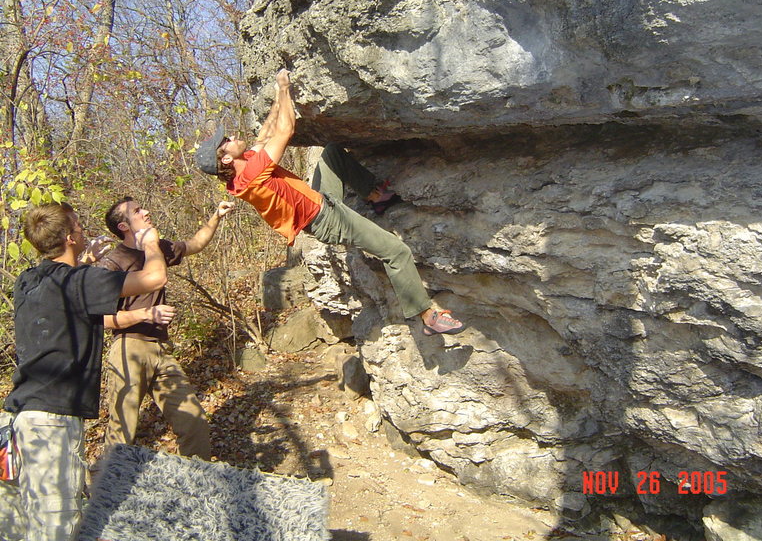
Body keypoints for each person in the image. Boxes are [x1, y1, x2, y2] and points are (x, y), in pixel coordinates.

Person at [195, 69, 464, 335]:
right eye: (226, 141)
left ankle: (376, 197)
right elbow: (285, 130)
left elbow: (265, 135)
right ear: (226, 158)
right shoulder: (250, 177)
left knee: (332, 152)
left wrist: (278, 95)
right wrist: (285, 88)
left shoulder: (245, 165)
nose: (232, 137)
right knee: (396, 251)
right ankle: (427, 315)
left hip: (321, 200)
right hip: (326, 219)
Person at [4, 202, 167, 541]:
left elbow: (67, 289)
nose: (83, 231)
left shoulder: (26, 281)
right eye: (78, 227)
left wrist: (84, 259)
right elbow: (155, 278)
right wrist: (150, 242)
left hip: (17, 421)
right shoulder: (81, 281)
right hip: (52, 425)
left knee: (17, 529)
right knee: (56, 528)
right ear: (69, 237)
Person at [95, 197, 233, 461]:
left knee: (194, 421)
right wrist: (146, 314)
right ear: (124, 226)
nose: (146, 212)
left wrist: (216, 215)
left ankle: (196, 478)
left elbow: (196, 243)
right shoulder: (112, 263)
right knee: (122, 430)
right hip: (129, 348)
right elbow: (102, 319)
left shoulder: (157, 248)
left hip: (161, 349)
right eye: (138, 211)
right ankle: (107, 483)